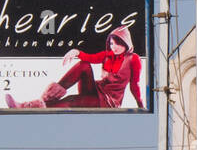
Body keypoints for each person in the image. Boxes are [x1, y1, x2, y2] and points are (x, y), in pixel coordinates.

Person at [6, 27, 144, 110]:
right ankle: (40, 101)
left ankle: (31, 107)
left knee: (72, 100)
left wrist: (140, 105)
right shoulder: (108, 55)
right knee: (84, 65)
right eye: (112, 43)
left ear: (126, 42)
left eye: (118, 43)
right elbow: (91, 58)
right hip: (96, 90)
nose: (114, 47)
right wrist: (76, 52)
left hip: (109, 101)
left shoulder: (133, 59)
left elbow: (135, 84)